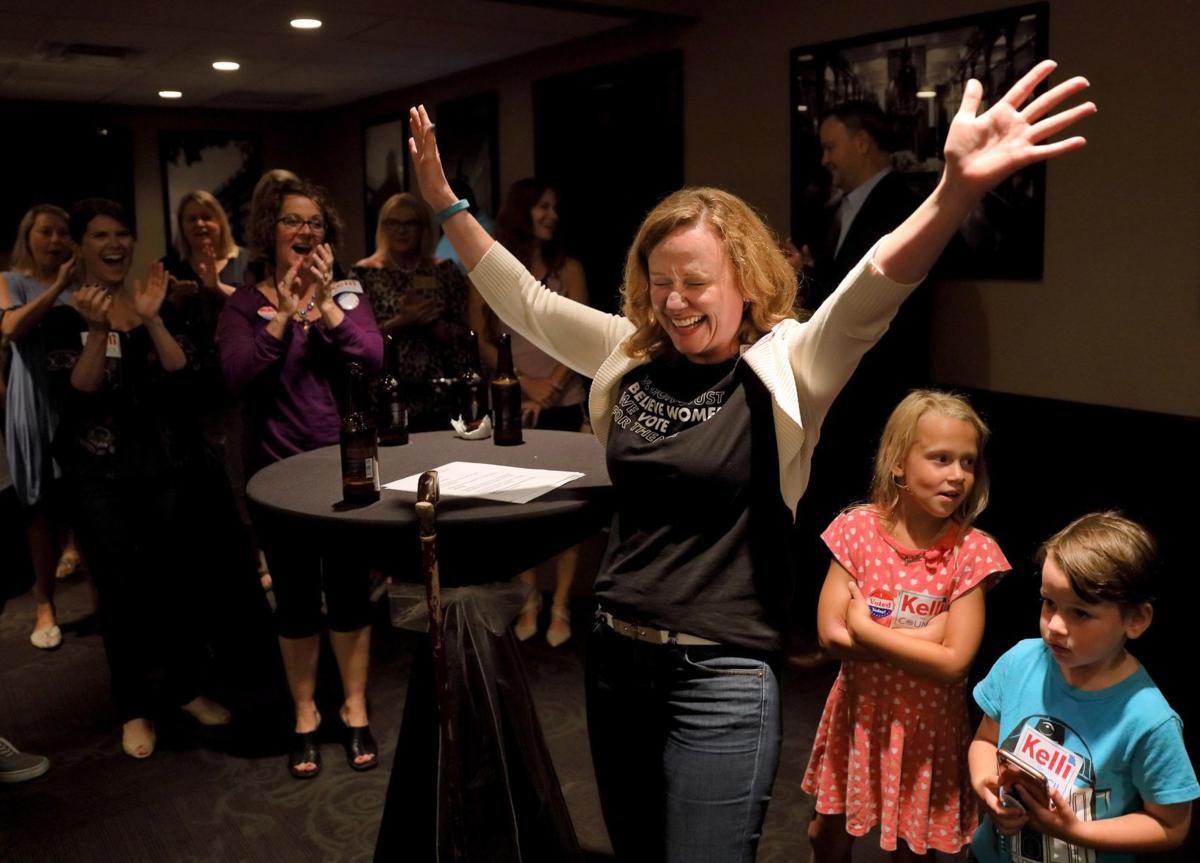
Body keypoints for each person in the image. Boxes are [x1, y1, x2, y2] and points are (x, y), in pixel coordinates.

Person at [409, 59, 1095, 860]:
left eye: (694, 282)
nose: (673, 301)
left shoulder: (790, 363)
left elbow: (874, 288)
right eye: (659, 282)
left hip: (725, 673)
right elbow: (522, 297)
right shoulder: (628, 353)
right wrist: (447, 205)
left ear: (744, 277)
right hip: (617, 658)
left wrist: (953, 194)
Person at [48, 198, 231, 758]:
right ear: (80, 247)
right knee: (123, 593)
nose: (115, 243)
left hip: (164, 466)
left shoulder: (157, 298)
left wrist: (152, 319)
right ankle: (134, 706)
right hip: (100, 476)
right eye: (101, 234)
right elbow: (77, 393)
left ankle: (184, 687)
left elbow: (185, 377)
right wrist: (100, 329)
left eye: (122, 232)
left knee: (177, 581)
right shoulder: (65, 312)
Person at [217, 177, 384, 779]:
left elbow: (371, 355)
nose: (305, 231)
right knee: (293, 599)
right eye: (293, 221)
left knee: (347, 593)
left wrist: (327, 309)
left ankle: (356, 706)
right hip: (276, 477)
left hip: (343, 473)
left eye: (314, 223)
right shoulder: (244, 303)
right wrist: (283, 318)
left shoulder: (346, 293)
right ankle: (306, 713)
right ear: (271, 230)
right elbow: (237, 374)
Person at [802, 390, 1010, 861]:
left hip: (926, 730)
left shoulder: (971, 553)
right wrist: (927, 637)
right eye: (940, 459)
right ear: (898, 463)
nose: (957, 475)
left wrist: (868, 629)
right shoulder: (857, 530)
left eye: (968, 462)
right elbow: (830, 635)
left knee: (914, 849)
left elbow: (954, 663)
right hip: (858, 717)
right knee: (827, 834)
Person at [968, 512, 1198, 863]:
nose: (1055, 626)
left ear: (1135, 620)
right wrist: (986, 786)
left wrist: (1074, 832)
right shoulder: (1020, 662)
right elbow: (985, 740)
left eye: (1081, 613)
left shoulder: (1149, 721)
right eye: (1049, 603)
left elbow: (1170, 827)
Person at [475, 179, 589, 646]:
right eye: (542, 207)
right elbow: (480, 337)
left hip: (564, 402)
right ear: (521, 211)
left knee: (566, 508)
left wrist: (551, 388)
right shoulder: (492, 270)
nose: (551, 216)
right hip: (510, 402)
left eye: (554, 208)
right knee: (519, 504)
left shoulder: (570, 268)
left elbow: (583, 332)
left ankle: (560, 604)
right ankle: (529, 599)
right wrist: (524, 385)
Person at [0, 205, 78, 649]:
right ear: (28, 237)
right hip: (32, 402)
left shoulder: (79, 282)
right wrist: (58, 289)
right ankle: (44, 601)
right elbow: (10, 327)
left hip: (76, 402)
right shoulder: (11, 280)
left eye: (62, 233)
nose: (54, 240)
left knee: (83, 503)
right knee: (39, 508)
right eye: (45, 232)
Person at [352, 192, 470, 431]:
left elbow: (465, 334)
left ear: (423, 228)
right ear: (383, 227)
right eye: (393, 223)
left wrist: (432, 324)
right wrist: (402, 321)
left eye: (409, 223)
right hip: (385, 392)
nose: (401, 230)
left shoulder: (445, 270)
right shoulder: (364, 274)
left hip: (439, 393)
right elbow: (357, 339)